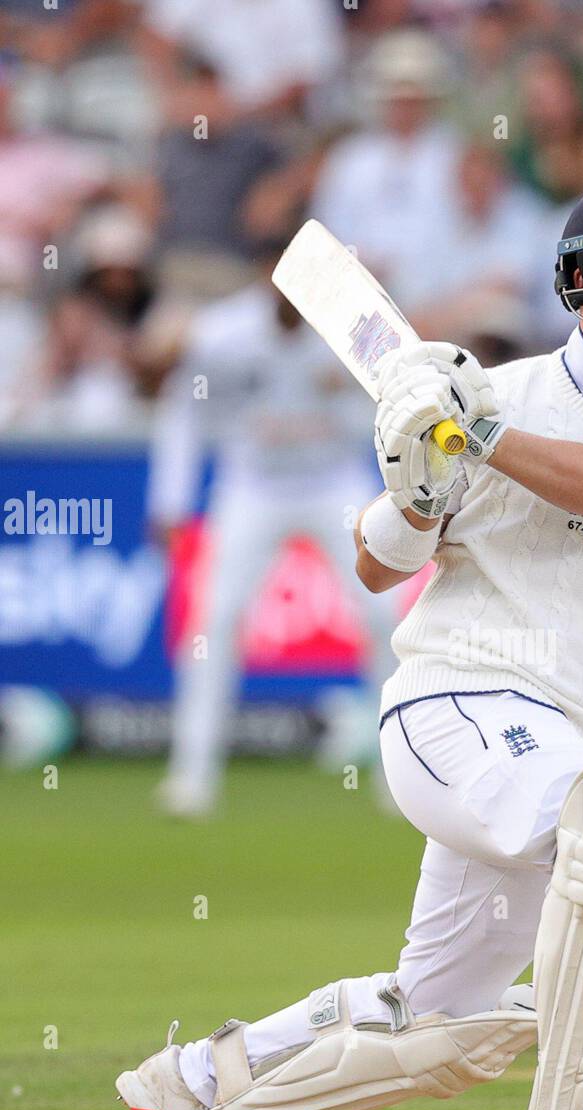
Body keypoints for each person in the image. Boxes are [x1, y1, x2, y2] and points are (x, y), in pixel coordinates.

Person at [118, 173, 583, 1110]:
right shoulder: (487, 395)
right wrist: (417, 490)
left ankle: (195, 1087)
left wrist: (479, 437)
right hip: (455, 706)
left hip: (569, 731)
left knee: (433, 1019)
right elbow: (377, 563)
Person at [148, 240, 397, 818]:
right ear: (265, 276)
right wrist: (171, 500)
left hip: (333, 481)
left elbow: (394, 405)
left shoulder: (353, 330)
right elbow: (183, 412)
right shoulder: (220, 333)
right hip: (252, 485)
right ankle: (192, 777)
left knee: (382, 617)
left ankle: (400, 776)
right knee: (213, 620)